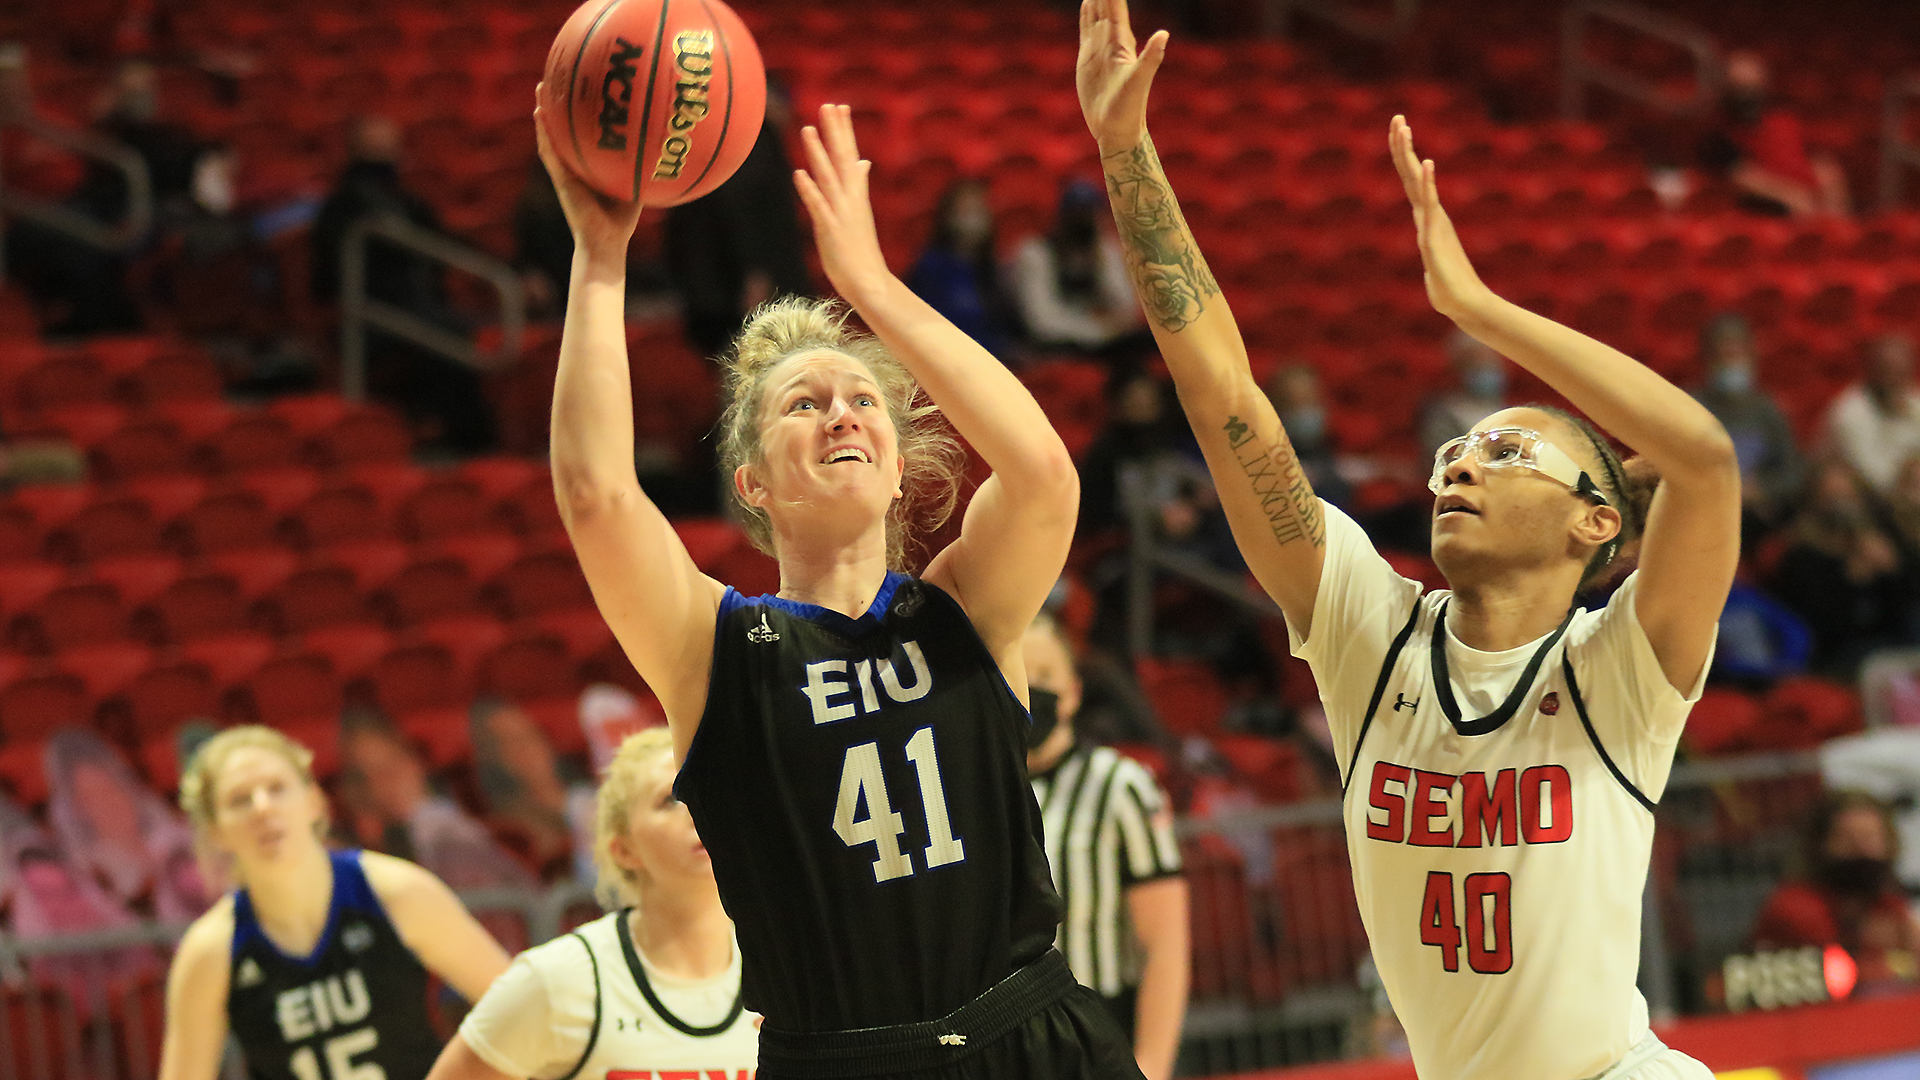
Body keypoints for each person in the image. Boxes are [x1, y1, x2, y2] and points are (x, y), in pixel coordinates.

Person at [1076, 4, 1740, 1079]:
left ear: (1596, 520)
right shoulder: (1368, 632)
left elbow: (1704, 456)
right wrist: (1125, 153)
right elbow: (1222, 397)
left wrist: (1475, 309)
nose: (1463, 464)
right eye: (1456, 452)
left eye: (1507, 451)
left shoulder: (1622, 668)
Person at [538, 80, 1140, 1078]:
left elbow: (1041, 473)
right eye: (802, 405)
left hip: (1032, 1037)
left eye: (863, 400)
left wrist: (873, 290)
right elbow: (596, 496)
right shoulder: (717, 649)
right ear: (754, 482)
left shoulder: (966, 609)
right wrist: (600, 262)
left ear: (900, 464)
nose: (843, 413)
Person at [157, 726, 510, 1080]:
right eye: (240, 800)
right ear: (215, 830)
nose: (262, 808)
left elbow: (519, 1005)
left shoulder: (396, 892)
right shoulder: (210, 951)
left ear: (313, 800)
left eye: (277, 788)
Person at [425, 727, 758, 1080]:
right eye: (671, 799)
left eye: (710, 792)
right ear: (624, 850)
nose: (699, 812)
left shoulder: (791, 970)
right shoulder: (558, 979)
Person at [1023, 614, 1188, 1080]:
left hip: (1100, 1034)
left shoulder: (1121, 786)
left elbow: (1165, 945)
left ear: (1073, 692)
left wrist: (1152, 1067)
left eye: (1045, 677)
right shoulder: (977, 790)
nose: (1033, 690)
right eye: (1019, 676)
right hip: (1014, 1042)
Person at [311, 114, 497, 454]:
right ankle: (468, 440)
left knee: (470, 329)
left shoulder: (406, 201)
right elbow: (329, 280)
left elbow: (445, 243)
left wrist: (511, 268)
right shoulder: (342, 207)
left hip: (421, 309)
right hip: (372, 316)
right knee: (445, 334)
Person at [336, 706, 536, 891]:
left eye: (391, 764)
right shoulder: (360, 856)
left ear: (415, 764)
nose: (386, 781)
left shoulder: (453, 832)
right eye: (367, 774)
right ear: (356, 792)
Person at [1750, 790, 1919, 994]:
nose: (1863, 851)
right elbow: (1836, 970)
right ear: (1821, 846)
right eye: (1848, 840)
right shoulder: (1794, 906)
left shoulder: (1887, 904)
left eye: (1871, 838)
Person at [44, 725, 209, 923]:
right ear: (78, 810)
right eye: (94, 796)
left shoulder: (173, 839)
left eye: (112, 788)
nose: (112, 803)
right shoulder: (92, 873)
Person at [1688, 313, 1802, 537]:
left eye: (1736, 355)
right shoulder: (1689, 407)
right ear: (1709, 358)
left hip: (1757, 516)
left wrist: (1763, 490)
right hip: (1704, 511)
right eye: (1724, 355)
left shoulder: (1767, 410)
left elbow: (1792, 471)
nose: (1731, 362)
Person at [1012, 178, 1148, 366]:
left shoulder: (1105, 252)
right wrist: (1096, 329)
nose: (1082, 225)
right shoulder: (1037, 252)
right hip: (1059, 345)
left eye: (1088, 216)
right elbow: (1041, 322)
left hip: (1105, 344)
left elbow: (1127, 311)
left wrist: (1100, 258)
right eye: (1077, 216)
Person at [1699, 51, 1850, 219]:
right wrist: (1795, 196)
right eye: (1739, 87)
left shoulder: (1782, 119)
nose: (1746, 95)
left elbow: (1814, 161)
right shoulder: (1717, 133)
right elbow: (1742, 177)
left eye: (1751, 86)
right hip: (1763, 209)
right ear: (1725, 87)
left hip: (1806, 196)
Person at [469, 696, 596, 883]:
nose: (526, 748)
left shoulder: (589, 797)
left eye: (529, 734)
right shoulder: (510, 828)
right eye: (509, 742)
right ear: (494, 758)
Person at [908, 178, 1021, 363]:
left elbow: (1003, 328)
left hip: (993, 363)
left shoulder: (993, 270)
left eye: (979, 211)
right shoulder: (930, 268)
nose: (973, 219)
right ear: (949, 215)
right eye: (966, 211)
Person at [1822, 333, 1920, 497]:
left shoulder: (1915, 402)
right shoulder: (1849, 413)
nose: (1895, 380)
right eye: (1888, 372)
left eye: (1901, 373)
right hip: (1868, 499)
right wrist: (1910, 474)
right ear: (1871, 371)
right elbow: (1875, 478)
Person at [1417, 328, 1508, 456]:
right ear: (1459, 368)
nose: (1486, 370)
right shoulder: (1442, 413)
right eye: (1477, 365)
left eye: (1490, 364)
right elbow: (1441, 458)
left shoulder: (1506, 411)